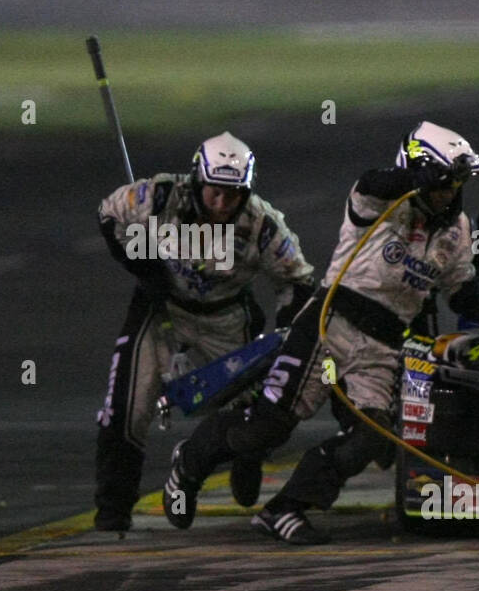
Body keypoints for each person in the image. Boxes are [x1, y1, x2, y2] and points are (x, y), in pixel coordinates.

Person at [168, 122, 479, 544]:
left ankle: (286, 508)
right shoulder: (377, 201)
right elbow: (371, 181)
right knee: (269, 427)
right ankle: (190, 462)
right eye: (442, 182)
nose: (449, 192)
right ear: (417, 172)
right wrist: (414, 179)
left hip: (383, 345)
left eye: (456, 183)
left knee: (372, 437)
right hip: (331, 325)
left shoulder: (458, 229)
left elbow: (458, 288)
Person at [94, 131, 316, 533]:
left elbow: (298, 281)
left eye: (234, 194)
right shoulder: (159, 196)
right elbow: (109, 214)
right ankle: (113, 511)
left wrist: (286, 332)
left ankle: (232, 459)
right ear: (197, 180)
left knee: (260, 410)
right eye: (214, 191)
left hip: (228, 318)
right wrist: (139, 262)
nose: (222, 203)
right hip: (162, 307)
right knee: (126, 407)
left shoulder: (264, 224)